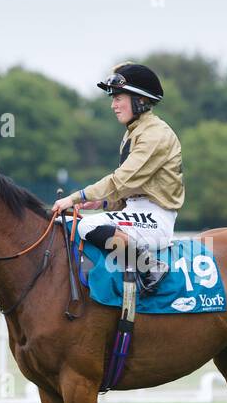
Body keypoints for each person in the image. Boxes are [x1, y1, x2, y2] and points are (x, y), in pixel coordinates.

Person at [50, 62, 184, 294]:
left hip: (156, 220)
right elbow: (128, 192)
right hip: (137, 214)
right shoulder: (134, 131)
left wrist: (75, 198)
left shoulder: (155, 134)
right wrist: (101, 203)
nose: (113, 105)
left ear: (139, 100)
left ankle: (151, 266)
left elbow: (119, 181)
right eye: (113, 99)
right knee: (69, 223)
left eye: (118, 98)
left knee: (88, 225)